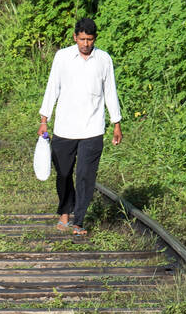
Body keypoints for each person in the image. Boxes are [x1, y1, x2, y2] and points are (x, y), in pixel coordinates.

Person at [37, 17, 122, 236]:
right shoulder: (62, 57)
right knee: (63, 173)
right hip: (64, 128)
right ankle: (64, 213)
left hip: (92, 128)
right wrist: (44, 119)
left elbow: (110, 91)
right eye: (82, 39)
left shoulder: (104, 60)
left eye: (90, 40)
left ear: (95, 39)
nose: (85, 44)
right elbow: (52, 87)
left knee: (85, 175)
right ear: (75, 37)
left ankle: (79, 221)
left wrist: (116, 123)